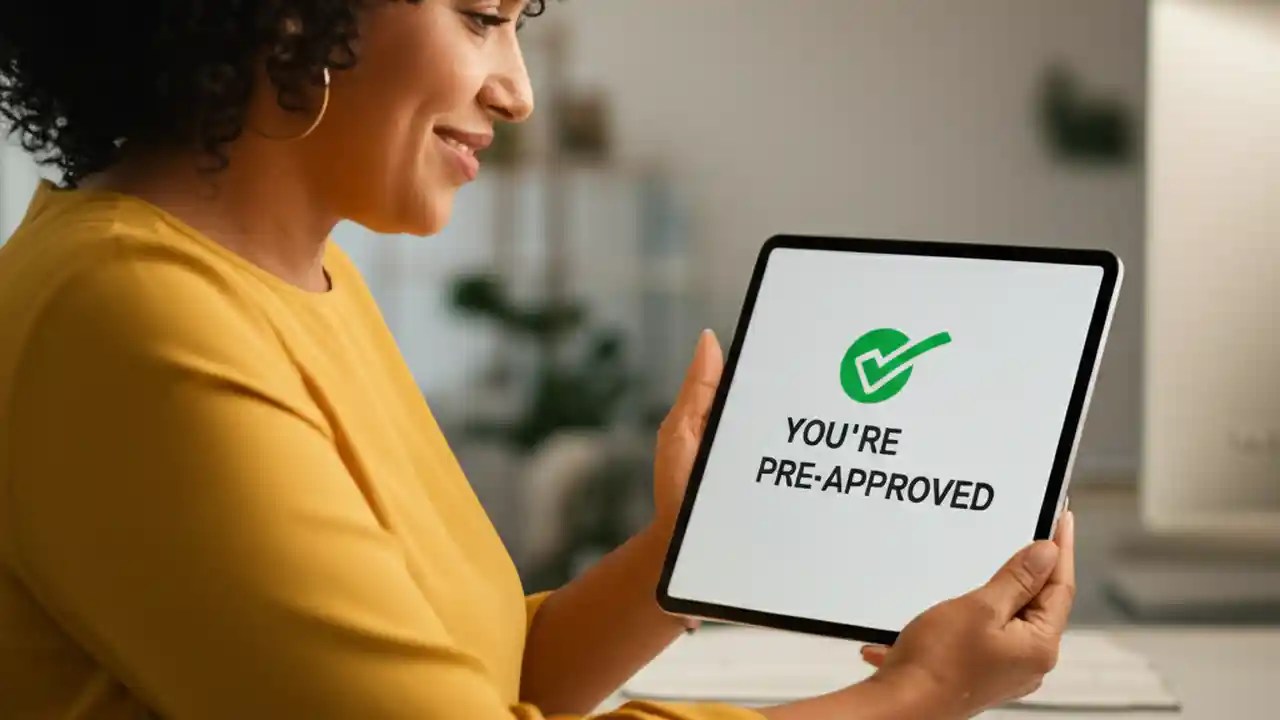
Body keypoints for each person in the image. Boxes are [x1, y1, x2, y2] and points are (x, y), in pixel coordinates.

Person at [0, 1, 1076, 718]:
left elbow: (469, 679)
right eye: (479, 17)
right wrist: (917, 690)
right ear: (289, 11)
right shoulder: (135, 316)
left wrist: (680, 553)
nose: (516, 90)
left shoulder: (293, 282)